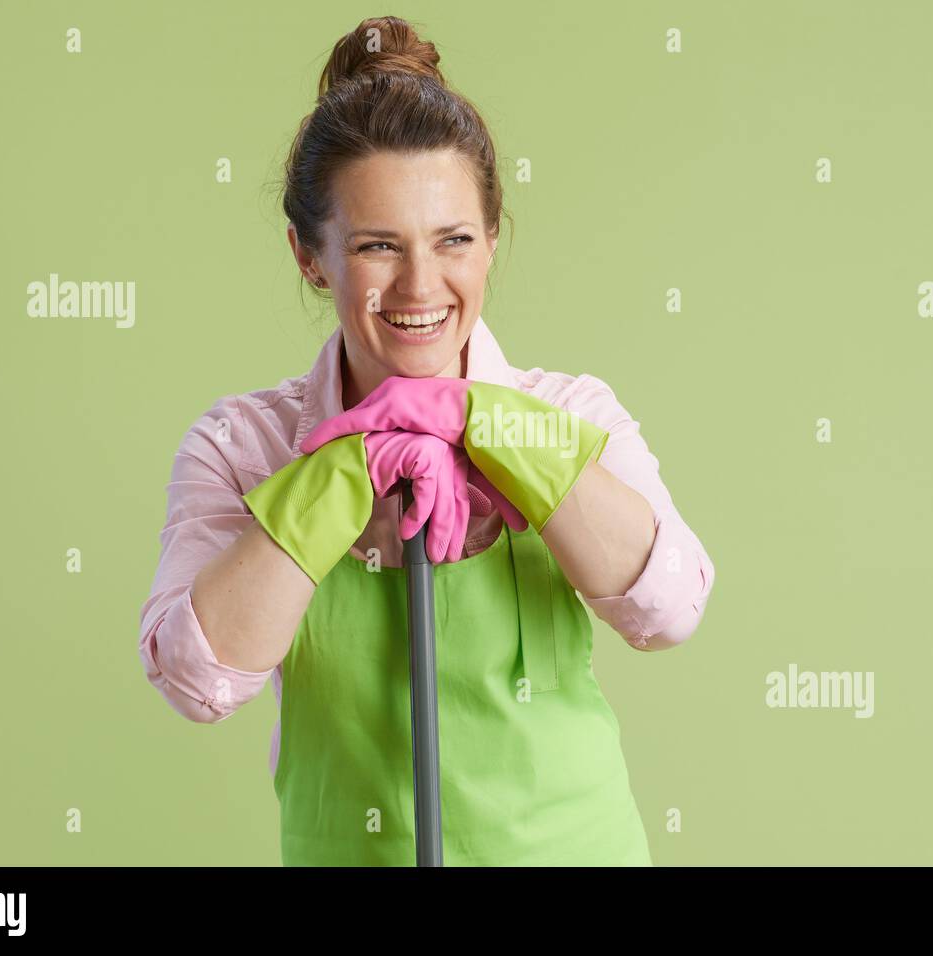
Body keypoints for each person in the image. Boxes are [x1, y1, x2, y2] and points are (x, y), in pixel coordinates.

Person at [138, 16, 714, 866]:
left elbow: (670, 610)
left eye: (454, 241)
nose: (420, 285)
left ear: (490, 241)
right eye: (377, 246)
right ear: (309, 256)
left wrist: (493, 426)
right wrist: (336, 476)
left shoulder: (570, 413)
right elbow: (198, 680)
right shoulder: (244, 445)